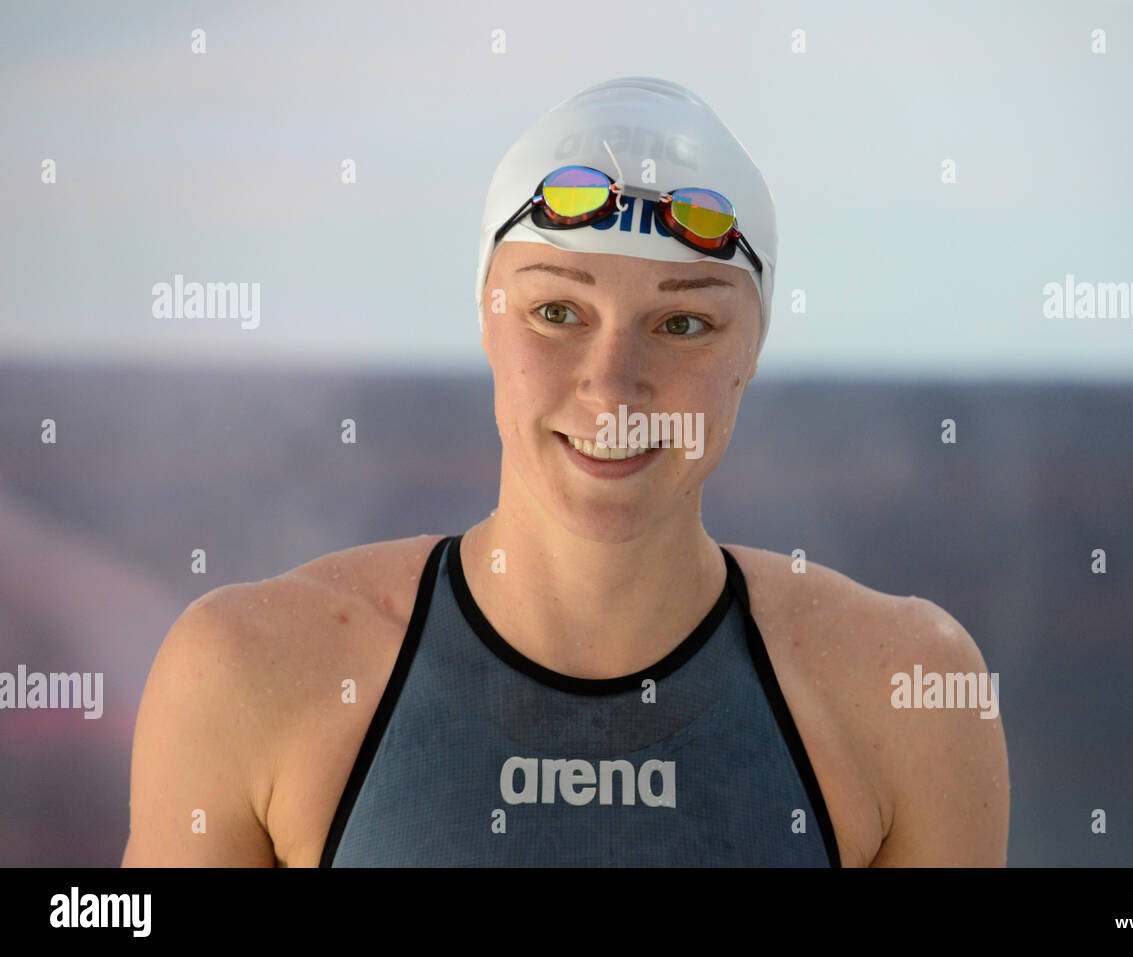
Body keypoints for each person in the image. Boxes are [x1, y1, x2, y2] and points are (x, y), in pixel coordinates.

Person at [121, 76, 1008, 867]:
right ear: (486, 319)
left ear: (754, 348)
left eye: (683, 324)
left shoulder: (906, 698)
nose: (611, 384)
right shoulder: (250, 673)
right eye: (556, 310)